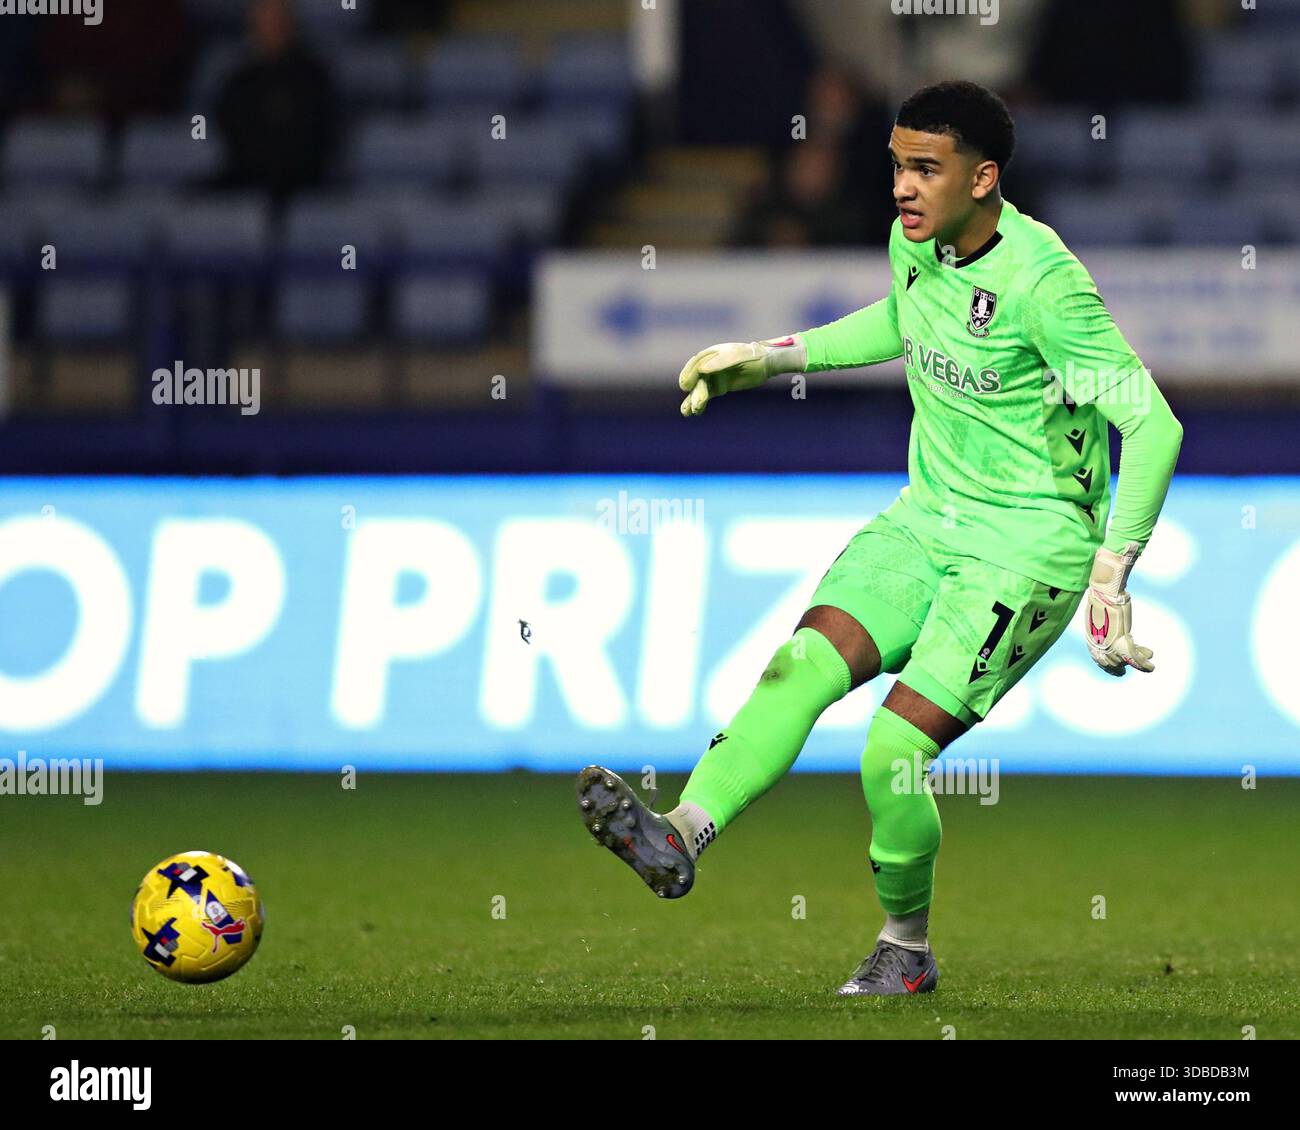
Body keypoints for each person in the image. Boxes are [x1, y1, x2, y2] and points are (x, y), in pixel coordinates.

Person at [576, 80, 1183, 997]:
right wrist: (769, 360)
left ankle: (905, 950)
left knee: (889, 754)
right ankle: (682, 832)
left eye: (925, 169)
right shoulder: (917, 240)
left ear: (983, 179)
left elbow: (1156, 426)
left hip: (1028, 548)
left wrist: (1112, 571)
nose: (901, 186)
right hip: (924, 517)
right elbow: (901, 321)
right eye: (898, 163)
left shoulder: (1044, 284)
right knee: (797, 668)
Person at [214, 0, 338, 203]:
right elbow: (230, 136)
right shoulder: (238, 81)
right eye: (265, 21)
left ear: (292, 24)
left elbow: (323, 136)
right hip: (247, 179)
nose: (272, 28)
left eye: (279, 20)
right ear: (252, 26)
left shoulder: (315, 77)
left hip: (306, 182)